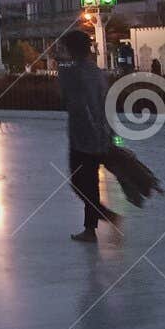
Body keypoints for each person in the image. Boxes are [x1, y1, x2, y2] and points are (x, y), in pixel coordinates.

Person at [57, 29, 123, 243]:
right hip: (97, 133)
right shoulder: (96, 71)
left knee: (80, 183)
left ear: (72, 50)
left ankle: (98, 222)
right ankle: (93, 225)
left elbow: (70, 101)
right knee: (89, 182)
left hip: (83, 135)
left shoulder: (73, 74)